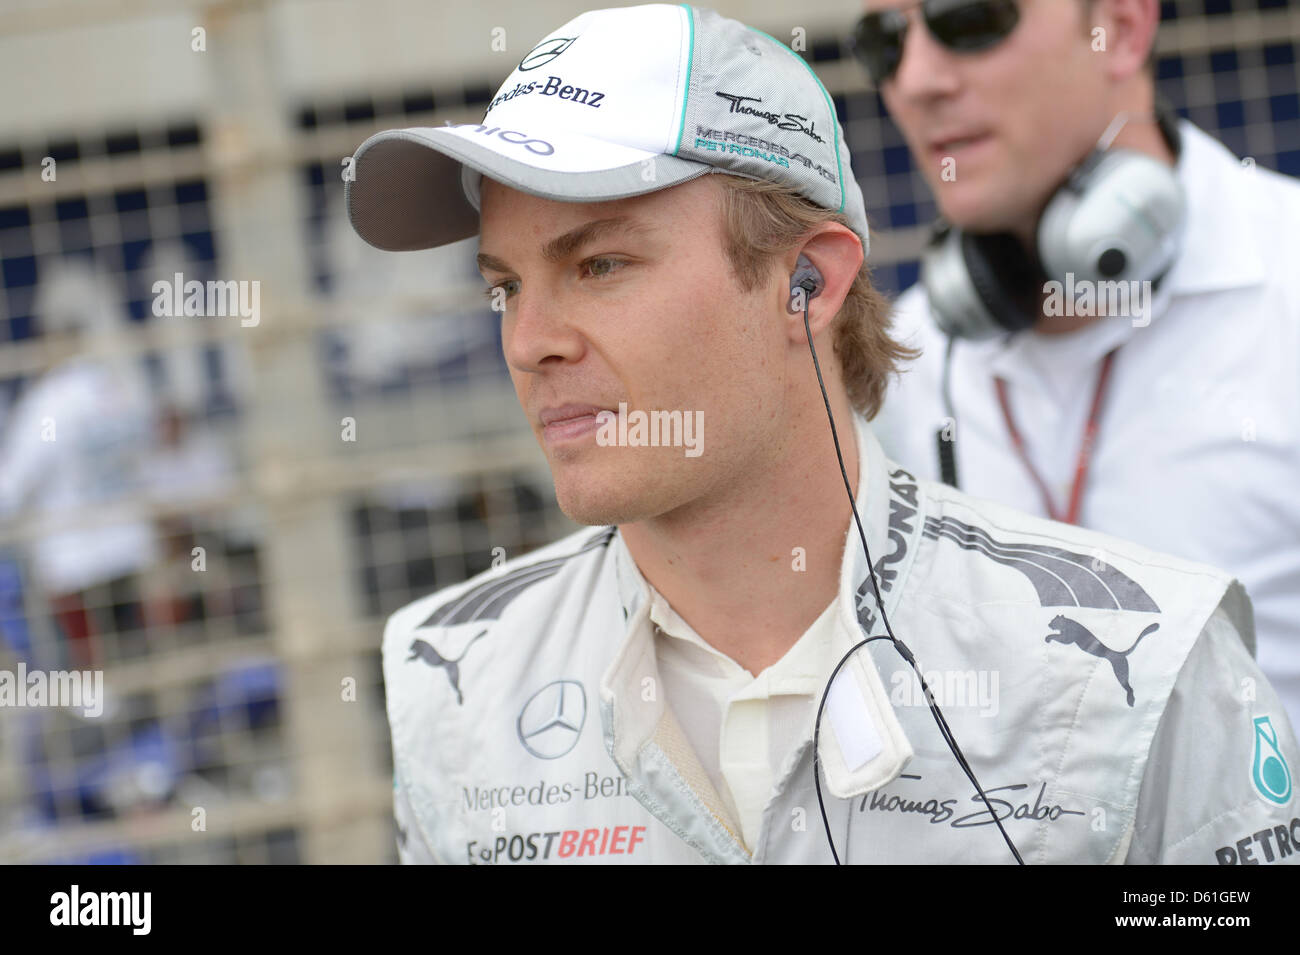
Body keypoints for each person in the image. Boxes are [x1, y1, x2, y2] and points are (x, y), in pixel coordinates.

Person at [346, 4, 1298, 864]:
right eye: (503, 287)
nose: (530, 343)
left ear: (809, 282)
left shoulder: (1154, 664)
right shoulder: (448, 681)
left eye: (598, 264)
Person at [855, 0, 1300, 733]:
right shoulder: (899, 364)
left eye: (968, 18)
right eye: (885, 40)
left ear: (1122, 28)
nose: (917, 77)